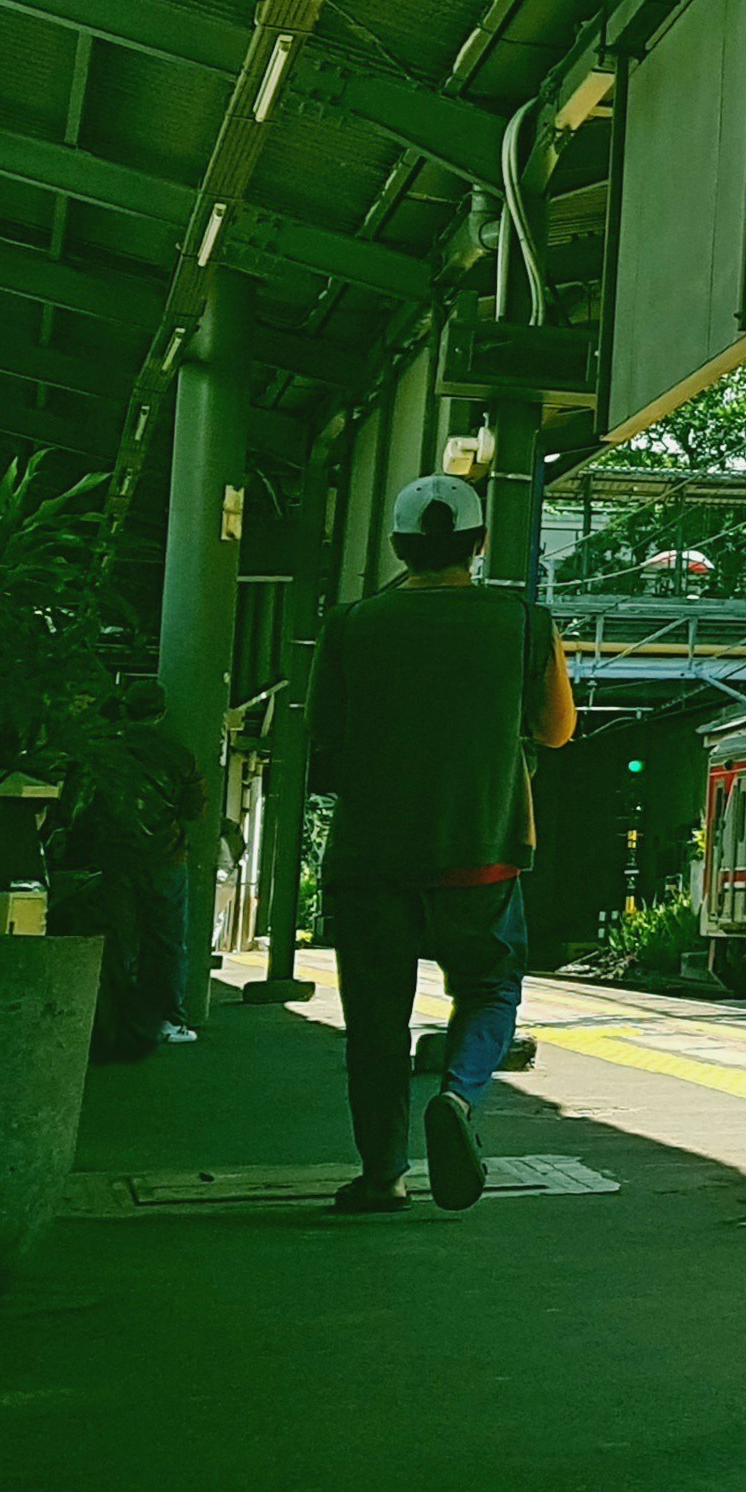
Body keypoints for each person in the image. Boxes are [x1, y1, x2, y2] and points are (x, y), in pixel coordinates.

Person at [311, 472, 573, 1215]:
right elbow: (557, 731)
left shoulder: (351, 624)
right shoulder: (524, 623)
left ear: (399, 546)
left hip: (371, 859)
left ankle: (382, 1174)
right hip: (481, 853)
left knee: (375, 1021)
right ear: (477, 544)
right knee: (489, 989)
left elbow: (324, 744)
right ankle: (458, 1097)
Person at [69, 678, 212, 1058]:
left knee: (117, 940)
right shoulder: (181, 757)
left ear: (125, 710)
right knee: (166, 943)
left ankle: (109, 1018)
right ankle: (168, 1020)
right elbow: (194, 810)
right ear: (161, 714)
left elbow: (82, 807)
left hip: (114, 859)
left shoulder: (103, 752)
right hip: (166, 859)